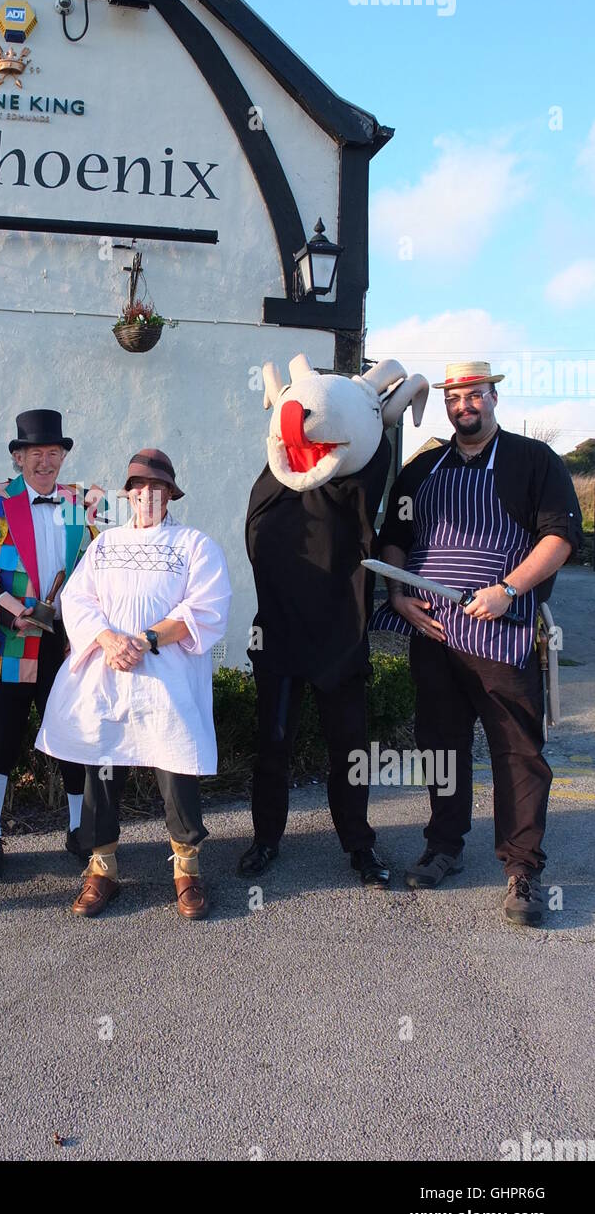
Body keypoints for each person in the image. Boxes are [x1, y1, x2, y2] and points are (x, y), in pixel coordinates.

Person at [372, 362, 581, 925]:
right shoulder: (422, 470)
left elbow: (561, 537)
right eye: (455, 397)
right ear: (446, 404)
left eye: (475, 396)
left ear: (493, 398)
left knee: (518, 752)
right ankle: (444, 847)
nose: (465, 406)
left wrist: (510, 589)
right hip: (435, 632)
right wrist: (397, 594)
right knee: (441, 746)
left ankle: (522, 870)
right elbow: (395, 537)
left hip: (502, 635)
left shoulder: (533, 462)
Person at [239, 354, 428, 889]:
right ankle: (265, 840)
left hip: (342, 642)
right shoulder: (271, 486)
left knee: (350, 752)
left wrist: (373, 417)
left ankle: (359, 845)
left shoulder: (356, 488)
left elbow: (368, 458)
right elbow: (280, 449)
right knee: (272, 746)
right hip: (278, 641)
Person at [36, 449, 232, 920]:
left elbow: (203, 609)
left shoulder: (194, 545)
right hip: (109, 675)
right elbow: (78, 601)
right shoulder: (105, 545)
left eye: (156, 488)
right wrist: (106, 639)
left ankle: (186, 868)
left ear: (169, 494)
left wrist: (145, 639)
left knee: (176, 767)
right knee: (101, 767)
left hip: (167, 679)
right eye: (138, 487)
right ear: (128, 495)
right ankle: (101, 867)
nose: (146, 495)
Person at [0, 410, 99, 881]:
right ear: (18, 458)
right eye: (35, 453)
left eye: (53, 452)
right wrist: (9, 611)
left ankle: (80, 827)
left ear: (63, 457)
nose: (45, 461)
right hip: (12, 636)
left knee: (72, 731)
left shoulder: (83, 503)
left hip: (66, 638)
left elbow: (102, 564)